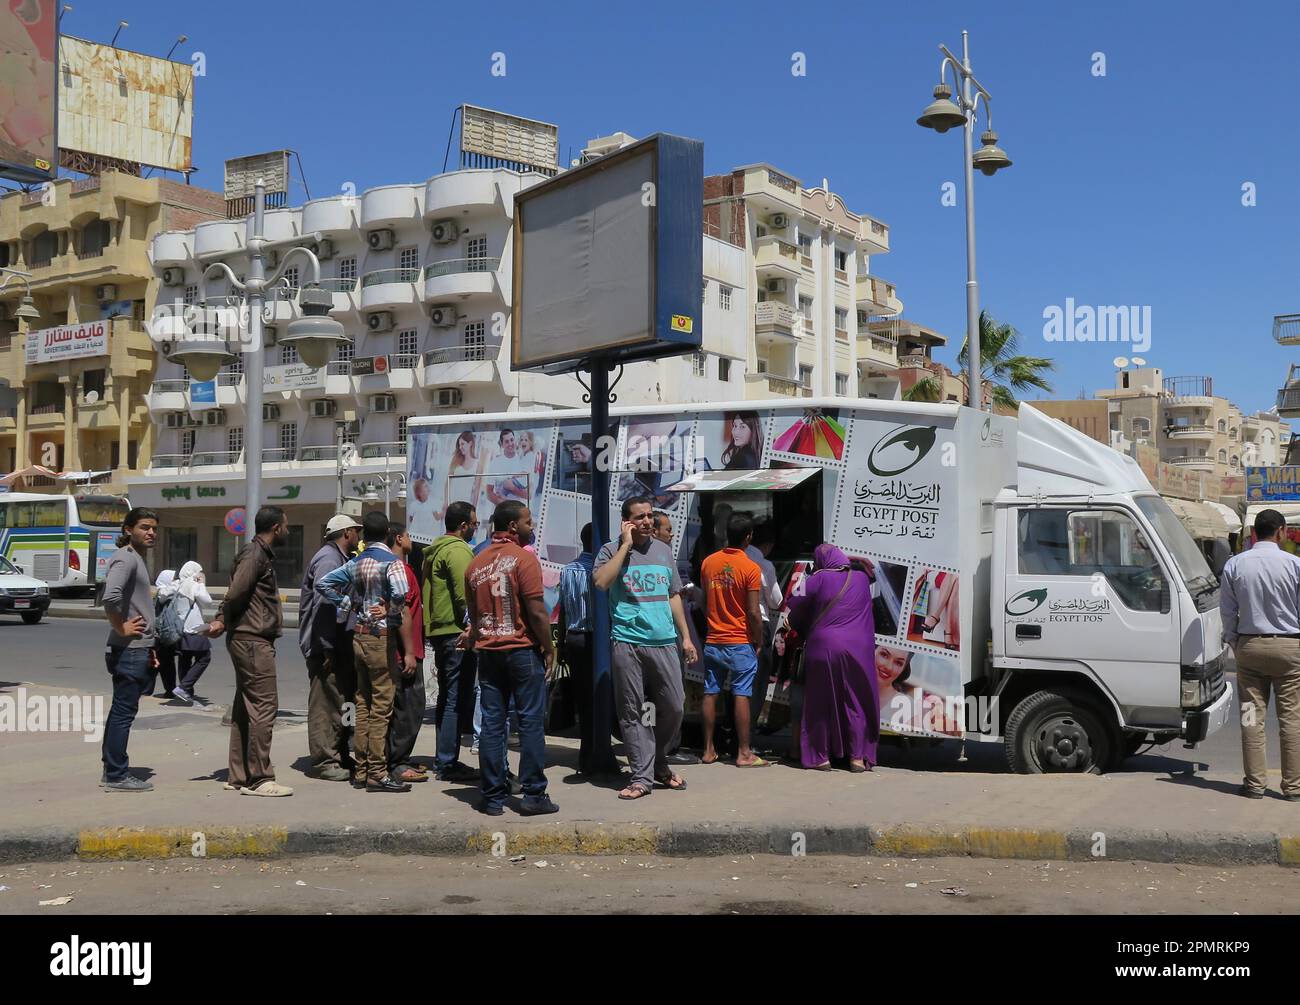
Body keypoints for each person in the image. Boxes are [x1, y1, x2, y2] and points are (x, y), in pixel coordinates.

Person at [594, 496, 697, 800]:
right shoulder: (610, 551)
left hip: (664, 640)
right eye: (640, 517)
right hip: (627, 640)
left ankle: (658, 761)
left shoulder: (664, 551)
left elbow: (673, 595)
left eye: (650, 516)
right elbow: (601, 582)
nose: (647, 522)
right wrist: (625, 546)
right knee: (632, 712)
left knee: (675, 707)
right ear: (626, 522)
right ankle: (642, 777)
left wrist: (686, 637)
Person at [464, 500, 559, 816]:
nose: (532, 528)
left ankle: (492, 797)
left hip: (489, 653)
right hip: (520, 651)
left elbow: (475, 617)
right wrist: (549, 647)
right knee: (530, 721)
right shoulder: (523, 560)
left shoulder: (474, 566)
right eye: (529, 522)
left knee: (493, 722)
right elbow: (536, 611)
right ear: (514, 526)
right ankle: (533, 795)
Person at [317, 510, 417, 794]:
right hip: (380, 637)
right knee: (382, 707)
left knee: (363, 704)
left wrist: (348, 603)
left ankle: (361, 771)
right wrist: (390, 609)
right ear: (387, 533)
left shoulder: (356, 563)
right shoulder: (392, 563)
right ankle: (377, 772)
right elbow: (400, 594)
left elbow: (323, 584)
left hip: (358, 637)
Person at [206, 505, 293, 797]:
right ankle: (259, 778)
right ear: (276, 528)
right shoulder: (255, 555)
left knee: (246, 709)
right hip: (253, 641)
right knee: (264, 707)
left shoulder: (258, 554)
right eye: (286, 526)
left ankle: (239, 775)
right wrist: (221, 617)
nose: (288, 531)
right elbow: (236, 590)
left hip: (250, 639)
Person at [1220, 508, 1300, 800]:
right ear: (1280, 531)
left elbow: (1227, 612)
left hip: (1250, 647)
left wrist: (1234, 642)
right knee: (1291, 720)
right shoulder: (1294, 564)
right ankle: (1293, 788)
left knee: (1250, 718)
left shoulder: (1235, 565)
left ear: (1254, 532)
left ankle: (1254, 785)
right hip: (1289, 648)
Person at [785, 544, 879, 772]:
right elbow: (870, 570)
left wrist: (797, 623)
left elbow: (793, 602)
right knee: (855, 701)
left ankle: (821, 757)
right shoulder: (861, 579)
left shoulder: (816, 579)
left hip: (824, 647)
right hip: (860, 649)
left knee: (820, 702)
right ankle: (857, 758)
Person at [100, 507, 161, 792]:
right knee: (124, 713)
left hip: (137, 648)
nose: (151, 533)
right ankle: (116, 774)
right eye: (144, 527)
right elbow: (110, 597)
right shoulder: (126, 558)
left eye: (154, 529)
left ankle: (112, 768)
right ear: (128, 530)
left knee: (120, 712)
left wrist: (150, 644)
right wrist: (122, 628)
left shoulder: (134, 558)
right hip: (129, 649)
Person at [700, 513, 767, 767]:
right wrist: (758, 639)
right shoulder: (750, 567)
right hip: (739, 640)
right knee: (742, 693)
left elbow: (707, 601)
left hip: (713, 639)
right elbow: (752, 611)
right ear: (749, 537)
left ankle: (708, 750)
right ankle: (743, 752)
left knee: (710, 691)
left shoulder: (708, 563)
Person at [299, 514, 362, 782]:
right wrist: (325, 646)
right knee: (326, 706)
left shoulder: (340, 559)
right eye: (356, 531)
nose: (358, 536)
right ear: (346, 533)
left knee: (344, 704)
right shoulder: (329, 559)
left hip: (339, 645)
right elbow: (324, 604)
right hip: (327, 647)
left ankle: (341, 754)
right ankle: (325, 760)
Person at [422, 501, 481, 783]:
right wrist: (472, 626)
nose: (476, 528)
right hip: (456, 632)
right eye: (474, 523)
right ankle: (447, 763)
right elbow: (465, 594)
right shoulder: (458, 550)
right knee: (455, 698)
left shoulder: (435, 550)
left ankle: (444, 759)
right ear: (463, 526)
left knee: (448, 697)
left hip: (439, 630)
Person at [385, 522, 427, 784]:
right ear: (399, 539)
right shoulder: (399, 569)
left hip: (405, 649)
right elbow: (400, 613)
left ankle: (397, 758)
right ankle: (397, 763)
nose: (412, 540)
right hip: (405, 651)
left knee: (404, 706)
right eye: (409, 536)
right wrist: (408, 653)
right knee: (410, 707)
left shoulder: (399, 568)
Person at [557, 522, 601, 775]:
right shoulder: (599, 570)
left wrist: (561, 642)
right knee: (600, 696)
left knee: (584, 700)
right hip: (595, 639)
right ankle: (596, 751)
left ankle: (586, 754)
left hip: (574, 638)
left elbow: (563, 609)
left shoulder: (568, 570)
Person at [745, 521, 784, 729]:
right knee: (757, 683)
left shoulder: (731, 558)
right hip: (759, 623)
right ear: (768, 546)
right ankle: (746, 736)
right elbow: (776, 601)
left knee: (740, 682)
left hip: (733, 625)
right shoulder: (764, 565)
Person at [167, 561, 214, 704]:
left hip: (180, 629)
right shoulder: (193, 585)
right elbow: (208, 602)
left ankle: (186, 691)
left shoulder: (178, 584)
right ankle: (184, 687)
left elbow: (163, 594)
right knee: (205, 657)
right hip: (194, 628)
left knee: (185, 659)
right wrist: (201, 584)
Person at [150, 569, 178, 698]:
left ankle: (169, 689)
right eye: (173, 579)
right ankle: (147, 690)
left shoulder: (165, 592)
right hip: (159, 633)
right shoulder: (161, 593)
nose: (175, 581)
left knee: (166, 663)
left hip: (164, 633)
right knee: (157, 663)